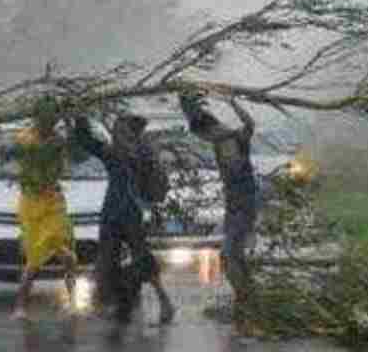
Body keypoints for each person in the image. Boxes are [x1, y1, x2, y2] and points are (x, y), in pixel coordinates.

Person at [71, 114, 176, 324]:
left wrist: (80, 121)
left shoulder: (134, 153)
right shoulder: (128, 151)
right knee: (111, 260)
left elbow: (91, 143)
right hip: (115, 213)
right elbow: (89, 142)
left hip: (128, 213)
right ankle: (123, 304)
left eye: (119, 129)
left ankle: (162, 301)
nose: (115, 133)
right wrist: (79, 118)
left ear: (129, 132)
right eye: (116, 130)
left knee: (140, 257)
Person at [177, 90, 263, 335]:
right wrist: (187, 103)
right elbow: (197, 119)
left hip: (245, 204)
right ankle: (247, 300)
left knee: (228, 255)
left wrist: (233, 102)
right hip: (233, 205)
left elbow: (250, 124)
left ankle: (246, 301)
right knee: (236, 256)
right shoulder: (217, 143)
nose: (206, 139)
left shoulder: (236, 138)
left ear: (212, 129)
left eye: (205, 135)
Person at [10, 100, 79, 320]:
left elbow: (71, 154)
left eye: (53, 121)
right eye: (46, 121)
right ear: (38, 119)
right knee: (34, 261)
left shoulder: (58, 141)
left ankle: (73, 303)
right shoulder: (25, 139)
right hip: (32, 207)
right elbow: (28, 152)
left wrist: (71, 122)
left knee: (68, 257)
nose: (49, 125)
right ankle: (20, 307)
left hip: (54, 204)